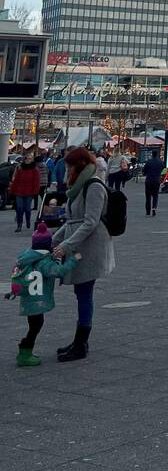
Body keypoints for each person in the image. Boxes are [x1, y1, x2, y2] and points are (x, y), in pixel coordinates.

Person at [51, 145, 116, 362]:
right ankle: (79, 341)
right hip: (78, 243)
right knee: (81, 292)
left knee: (84, 292)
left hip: (90, 247)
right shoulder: (78, 186)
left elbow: (90, 222)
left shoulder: (94, 186)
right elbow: (72, 219)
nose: (66, 171)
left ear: (78, 166)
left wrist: (66, 244)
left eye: (69, 166)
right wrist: (54, 239)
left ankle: (81, 343)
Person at [9, 219, 79, 367]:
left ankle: (26, 350)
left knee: (34, 325)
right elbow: (58, 271)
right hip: (37, 301)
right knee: (36, 326)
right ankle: (24, 353)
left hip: (28, 301)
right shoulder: (45, 263)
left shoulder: (28, 258)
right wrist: (73, 260)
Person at [10, 152, 42, 233]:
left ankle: (28, 221)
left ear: (32, 160)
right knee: (19, 208)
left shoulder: (35, 169)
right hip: (19, 192)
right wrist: (12, 190)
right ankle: (19, 225)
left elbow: (37, 181)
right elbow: (16, 180)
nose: (28, 160)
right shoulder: (20, 169)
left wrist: (35, 191)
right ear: (24, 159)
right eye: (26, 158)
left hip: (29, 192)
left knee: (28, 209)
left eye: (29, 158)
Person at [142, 150, 164, 216]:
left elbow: (144, 171)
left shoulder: (148, 161)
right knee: (155, 196)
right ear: (157, 154)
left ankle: (148, 211)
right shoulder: (160, 162)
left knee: (148, 197)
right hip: (156, 180)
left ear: (152, 154)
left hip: (148, 180)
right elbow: (163, 170)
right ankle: (154, 208)